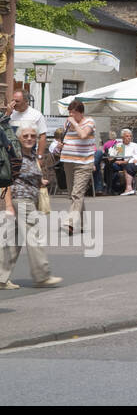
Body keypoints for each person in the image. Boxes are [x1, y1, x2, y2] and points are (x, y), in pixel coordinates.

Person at [0, 125, 62, 290]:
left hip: (27, 199)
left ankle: (1, 277)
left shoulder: (32, 155)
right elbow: (6, 180)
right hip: (21, 200)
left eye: (33, 136)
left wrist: (40, 181)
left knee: (13, 241)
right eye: (25, 135)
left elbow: (29, 175)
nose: (29, 138)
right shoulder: (15, 156)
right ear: (19, 138)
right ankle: (42, 275)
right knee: (34, 235)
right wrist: (8, 204)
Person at [59, 99, 97, 234]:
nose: (71, 115)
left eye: (73, 113)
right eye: (69, 112)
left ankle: (70, 222)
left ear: (81, 113)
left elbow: (83, 135)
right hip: (68, 161)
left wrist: (74, 123)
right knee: (73, 194)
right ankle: (82, 224)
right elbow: (66, 139)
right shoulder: (67, 124)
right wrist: (60, 145)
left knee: (77, 193)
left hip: (84, 162)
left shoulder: (89, 122)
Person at [107, 128, 137, 196]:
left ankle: (123, 188)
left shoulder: (134, 145)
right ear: (122, 137)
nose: (129, 138)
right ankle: (111, 188)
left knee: (125, 166)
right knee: (109, 166)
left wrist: (125, 162)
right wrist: (113, 159)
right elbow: (116, 157)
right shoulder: (119, 145)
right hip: (120, 164)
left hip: (131, 164)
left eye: (130, 136)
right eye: (127, 136)